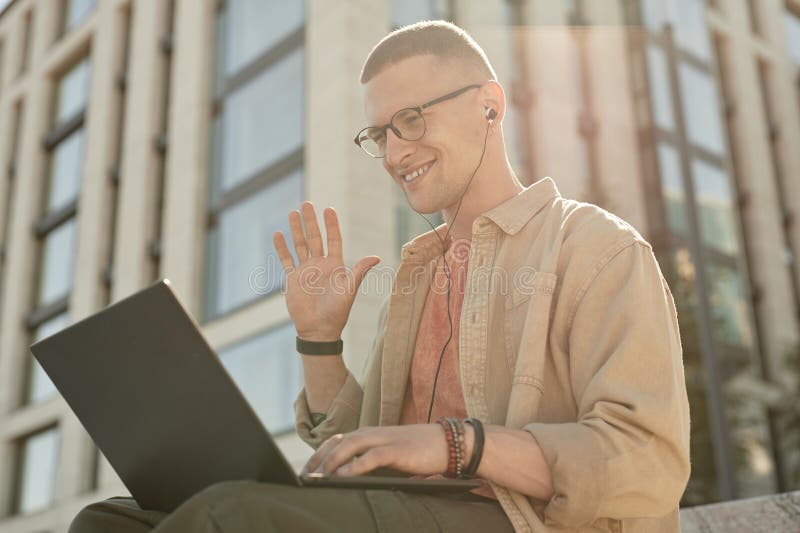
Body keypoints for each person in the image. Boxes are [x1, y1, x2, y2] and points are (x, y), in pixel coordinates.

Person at [69, 20, 690, 533]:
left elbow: (648, 462)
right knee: (109, 520)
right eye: (380, 134)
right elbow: (367, 454)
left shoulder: (595, 247)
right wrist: (319, 339)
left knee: (229, 517)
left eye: (412, 119)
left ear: (490, 106)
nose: (394, 153)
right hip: (408, 513)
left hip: (523, 521)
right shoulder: (415, 278)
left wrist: (458, 445)